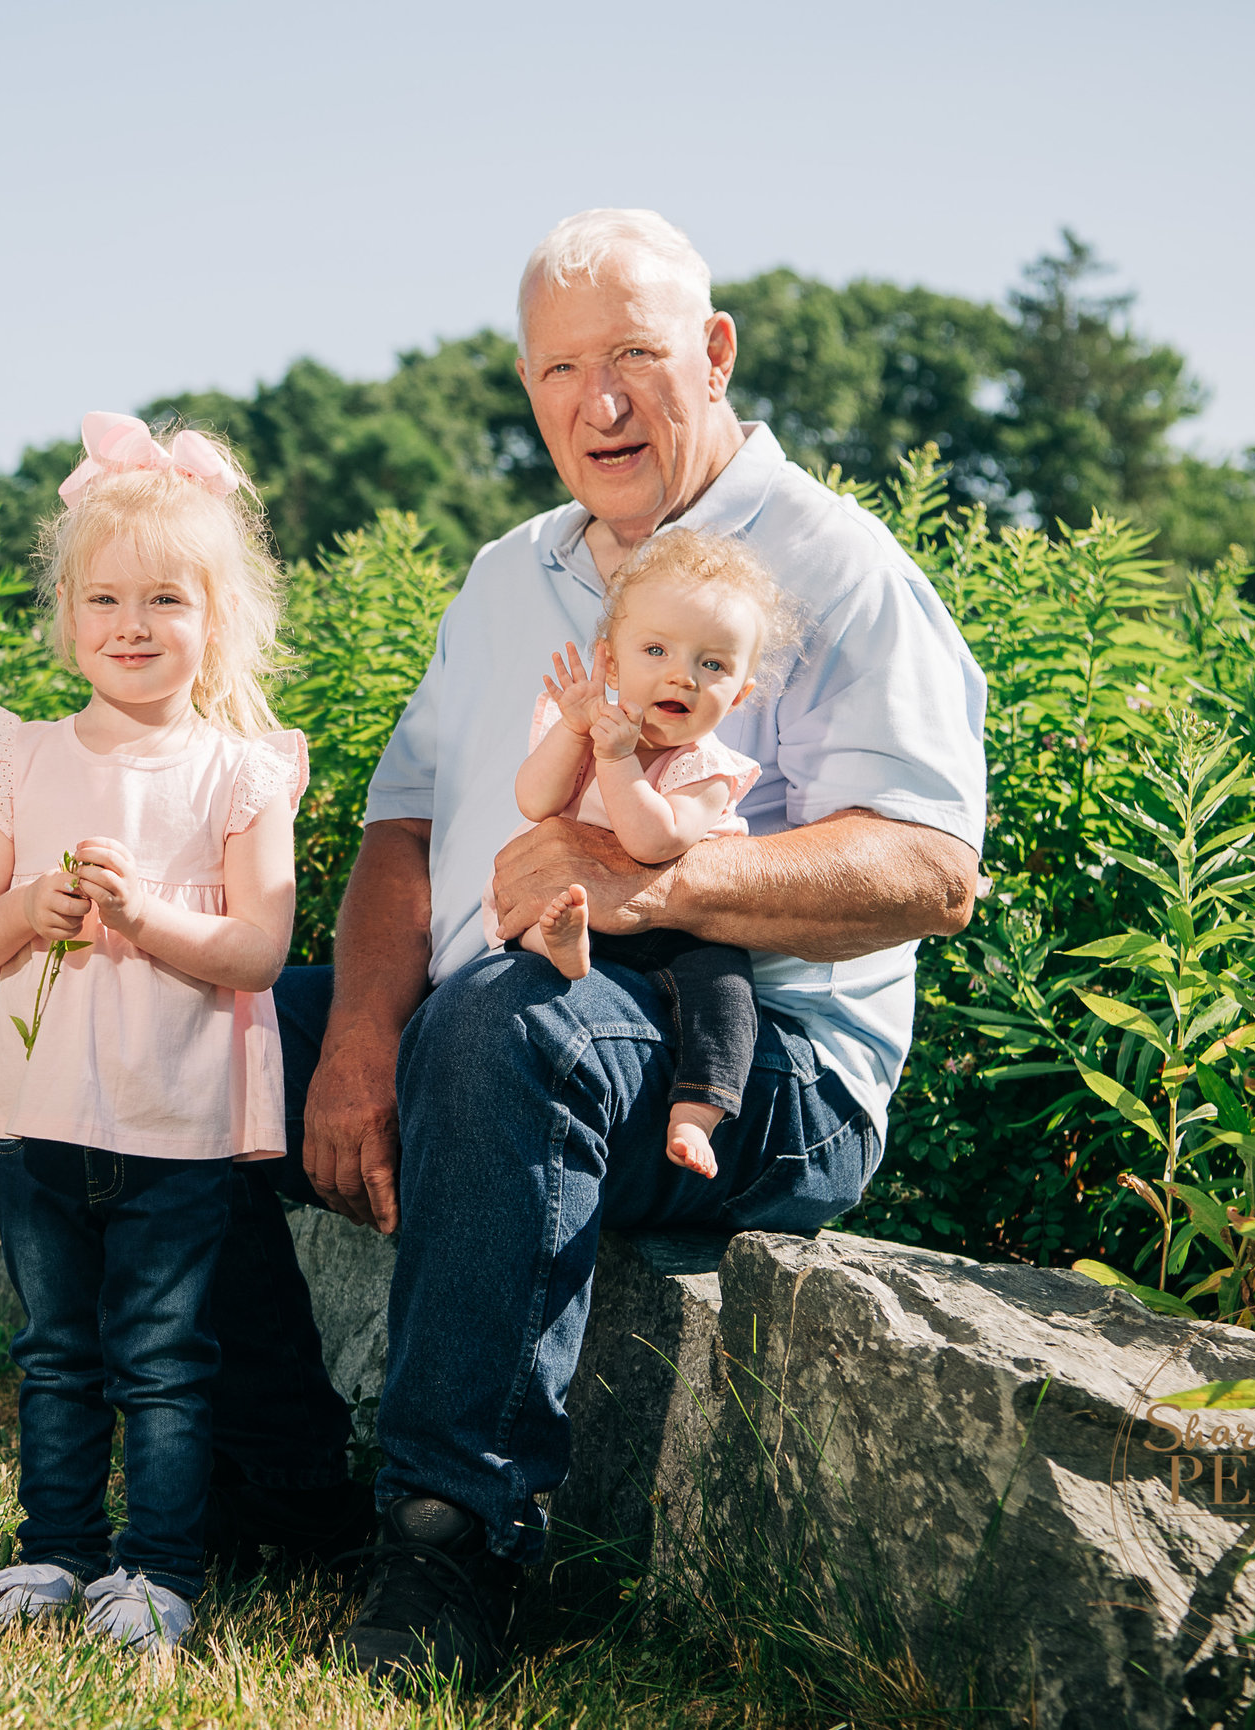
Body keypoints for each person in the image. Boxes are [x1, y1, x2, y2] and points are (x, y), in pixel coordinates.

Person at [198, 210, 989, 1684]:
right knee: (199, 1036)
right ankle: (275, 1489)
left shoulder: (833, 563)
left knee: (504, 1022)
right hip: (479, 1004)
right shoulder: (511, 575)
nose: (600, 401)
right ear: (526, 388)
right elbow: (402, 828)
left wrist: (663, 882)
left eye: (634, 355)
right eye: (563, 369)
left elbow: (929, 869)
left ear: (713, 352)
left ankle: (449, 1544)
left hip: (759, 1068)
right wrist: (359, 1034)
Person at [0, 411, 309, 1653]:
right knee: (55, 1347)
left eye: (165, 600)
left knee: (161, 1353)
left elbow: (259, 948)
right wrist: (31, 909)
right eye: (104, 598)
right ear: (68, 617)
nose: (132, 625)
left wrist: (144, 914)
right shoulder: (24, 764)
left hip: (172, 1112)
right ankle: (55, 1550)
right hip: (35, 1114)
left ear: (219, 619)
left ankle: (155, 1567)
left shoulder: (238, 775)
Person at [496, 529, 798, 1181]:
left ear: (739, 693)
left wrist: (614, 758)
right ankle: (562, 947)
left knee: (724, 991)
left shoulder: (707, 766)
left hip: (676, 932)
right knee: (529, 903)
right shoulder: (584, 725)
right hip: (586, 911)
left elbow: (653, 841)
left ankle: (695, 1113)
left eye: (711, 664)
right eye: (655, 649)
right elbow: (533, 799)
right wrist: (575, 733)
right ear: (608, 663)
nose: (680, 674)